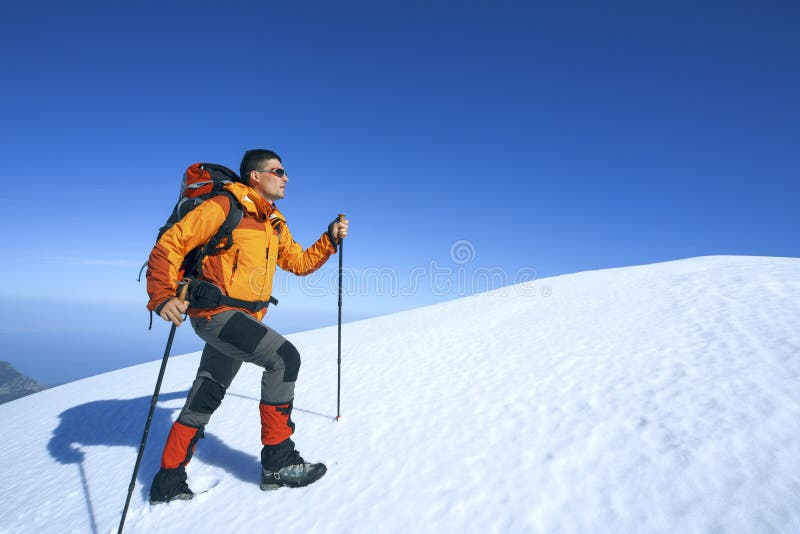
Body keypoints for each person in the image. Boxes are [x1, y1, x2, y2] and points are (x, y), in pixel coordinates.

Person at [145, 149, 349, 504]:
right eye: (279, 171)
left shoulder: (274, 222)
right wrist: (162, 295)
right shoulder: (225, 206)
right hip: (216, 315)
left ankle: (168, 481)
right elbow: (171, 243)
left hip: (242, 322)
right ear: (255, 176)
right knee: (284, 359)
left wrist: (329, 239)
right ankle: (278, 464)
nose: (286, 177)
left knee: (205, 393)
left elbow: (298, 263)